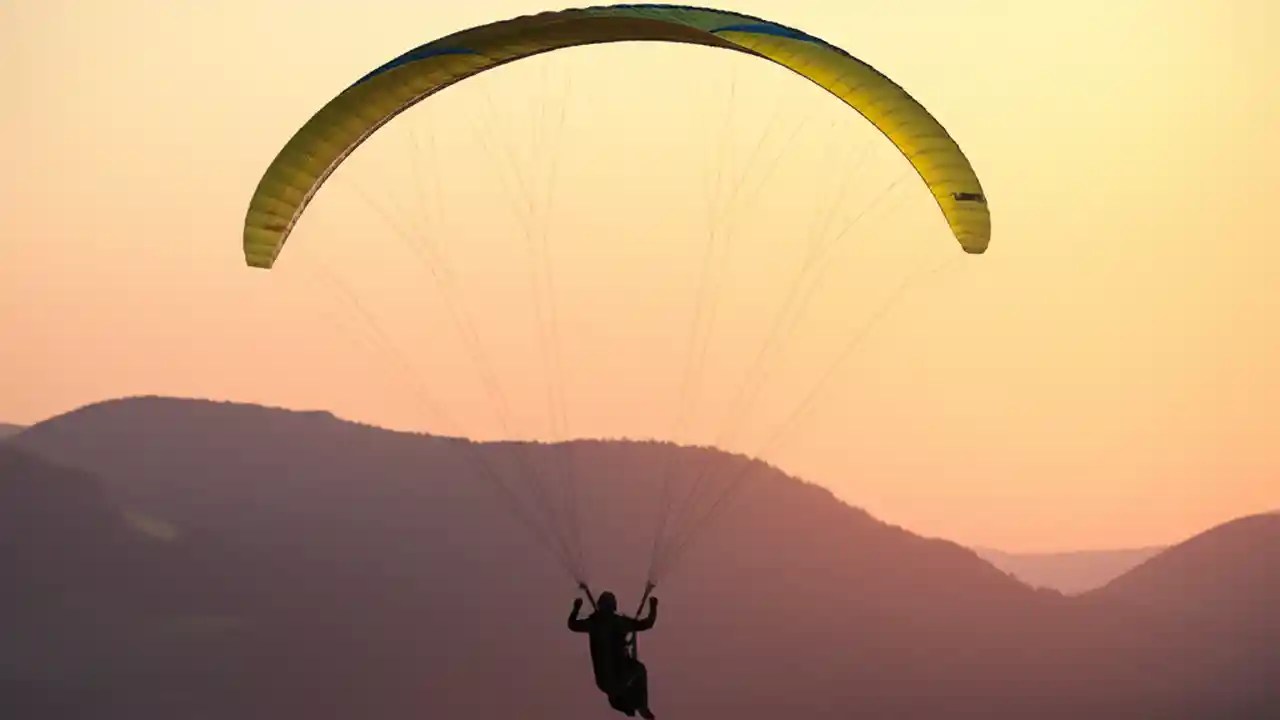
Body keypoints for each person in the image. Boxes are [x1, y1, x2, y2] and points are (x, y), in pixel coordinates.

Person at [568, 589, 659, 718]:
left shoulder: (594, 623)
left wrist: (576, 608)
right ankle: (641, 706)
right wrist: (653, 607)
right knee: (639, 669)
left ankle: (627, 705)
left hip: (603, 683)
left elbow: (572, 625)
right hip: (617, 678)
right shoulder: (619, 623)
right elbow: (647, 624)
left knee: (619, 684)